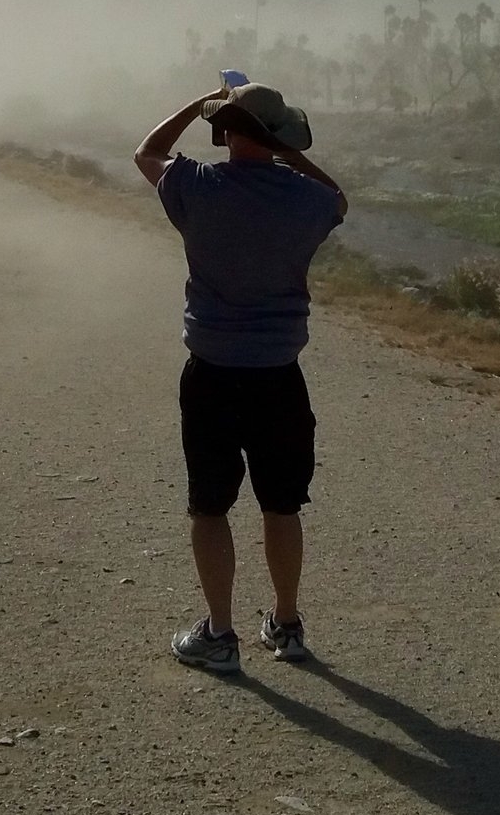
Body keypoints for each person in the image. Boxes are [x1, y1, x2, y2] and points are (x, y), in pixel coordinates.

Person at [134, 79, 347, 674]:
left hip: (212, 373)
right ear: (277, 139)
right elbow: (339, 198)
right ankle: (285, 625)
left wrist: (200, 101)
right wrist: (282, 149)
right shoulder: (306, 201)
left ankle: (220, 636)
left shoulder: (197, 187)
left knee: (210, 507)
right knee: (282, 506)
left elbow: (146, 153)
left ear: (223, 133)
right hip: (280, 375)